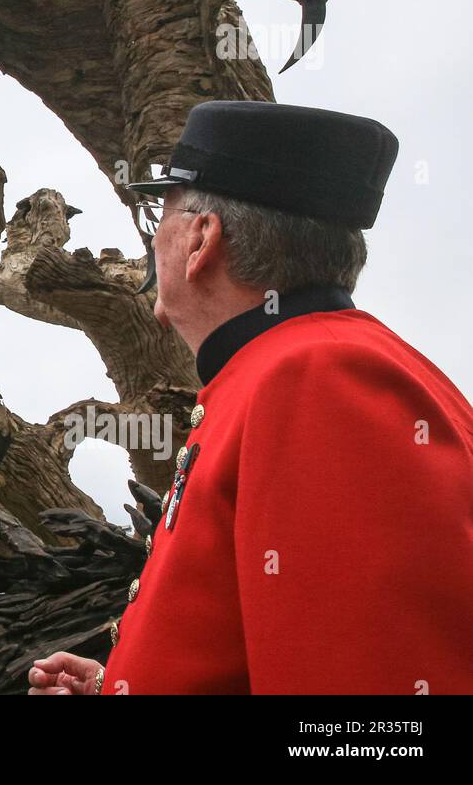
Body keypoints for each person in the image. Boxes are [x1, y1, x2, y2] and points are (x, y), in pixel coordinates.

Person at [29, 100, 473, 695]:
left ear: (200, 240)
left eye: (159, 213)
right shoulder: (285, 369)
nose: (149, 240)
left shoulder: (321, 376)